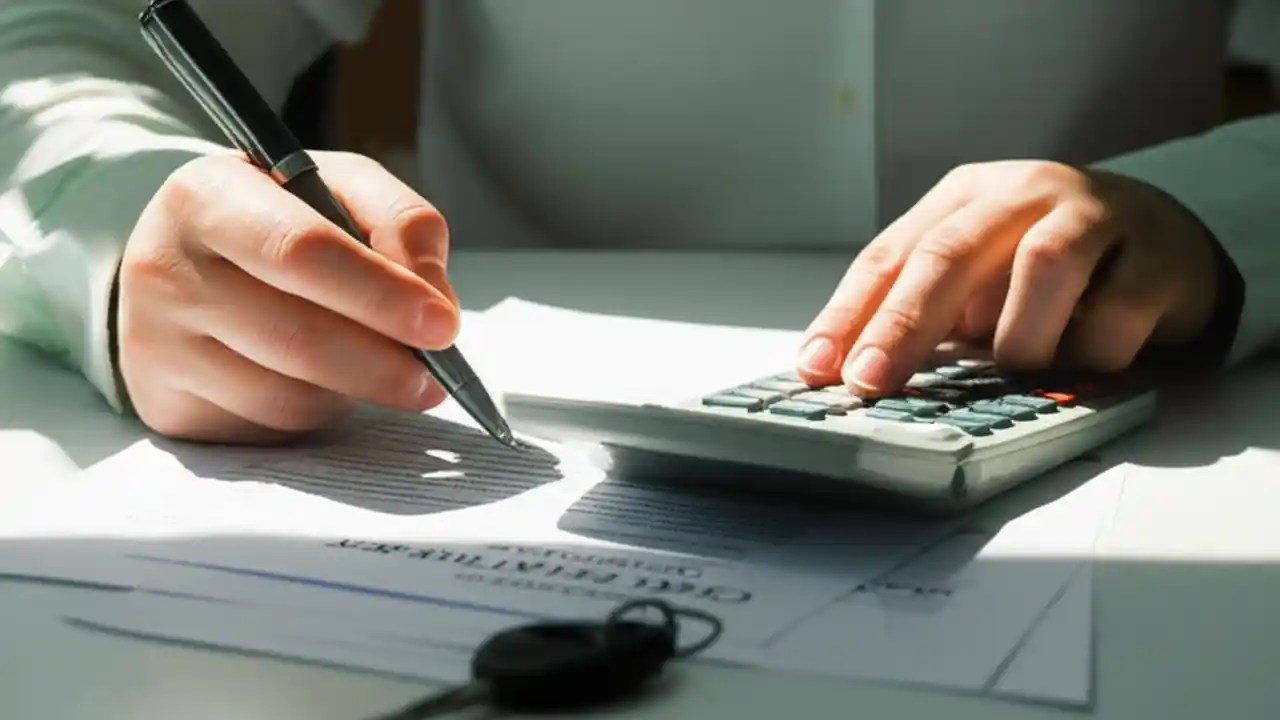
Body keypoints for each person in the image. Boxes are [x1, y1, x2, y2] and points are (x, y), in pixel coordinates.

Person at [0, 0, 1276, 444]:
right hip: (451, 417)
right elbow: (51, 43)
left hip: (1154, 431)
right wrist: (125, 219)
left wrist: (1218, 209)